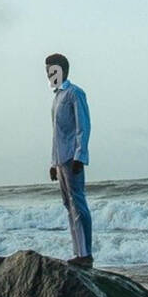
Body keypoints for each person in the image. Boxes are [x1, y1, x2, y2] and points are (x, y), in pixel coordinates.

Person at [46, 53, 93, 268]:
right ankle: (78, 251)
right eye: (48, 71)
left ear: (62, 70)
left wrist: (80, 156)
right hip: (61, 158)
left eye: (53, 70)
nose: (49, 74)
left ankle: (86, 253)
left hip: (72, 157)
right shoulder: (57, 97)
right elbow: (57, 133)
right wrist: (53, 163)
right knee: (68, 204)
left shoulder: (75, 93)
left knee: (78, 202)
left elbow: (83, 127)